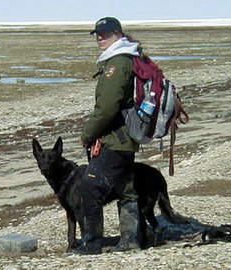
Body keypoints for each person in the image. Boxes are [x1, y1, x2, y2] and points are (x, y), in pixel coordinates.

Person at [73, 17, 143, 255]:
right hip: (126, 138)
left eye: (104, 34)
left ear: (117, 34)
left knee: (89, 186)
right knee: (126, 190)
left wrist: (87, 134)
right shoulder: (127, 58)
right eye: (97, 34)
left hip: (115, 139)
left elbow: (107, 107)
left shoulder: (117, 63)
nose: (99, 38)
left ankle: (91, 244)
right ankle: (131, 240)